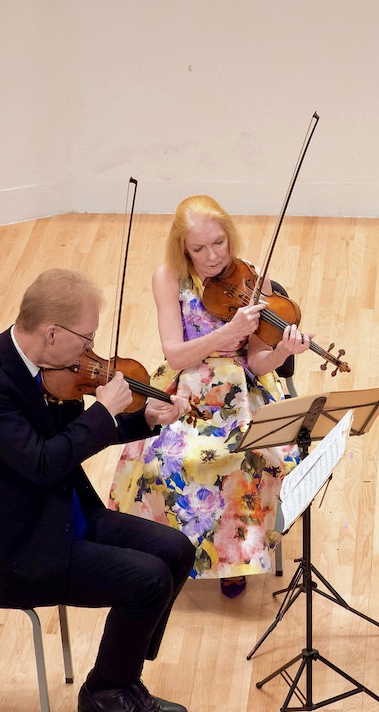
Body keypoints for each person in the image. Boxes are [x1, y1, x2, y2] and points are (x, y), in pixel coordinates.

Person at [0, 268, 198, 712]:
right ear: (51, 334)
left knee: (176, 551)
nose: (91, 353)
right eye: (86, 339)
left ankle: (120, 680)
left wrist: (141, 418)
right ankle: (106, 691)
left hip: (60, 512)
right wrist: (103, 412)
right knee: (147, 581)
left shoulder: (54, 369)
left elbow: (71, 442)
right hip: (9, 550)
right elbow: (44, 462)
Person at [110, 195, 310, 598]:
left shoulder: (253, 278)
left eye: (218, 243)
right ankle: (172, 548)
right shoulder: (168, 276)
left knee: (245, 455)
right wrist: (223, 333)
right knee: (164, 457)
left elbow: (256, 361)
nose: (212, 256)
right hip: (186, 380)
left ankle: (231, 555)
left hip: (240, 384)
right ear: (183, 247)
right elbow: (175, 352)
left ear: (229, 237)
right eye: (198, 248)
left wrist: (284, 351)